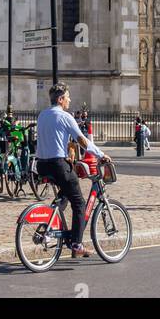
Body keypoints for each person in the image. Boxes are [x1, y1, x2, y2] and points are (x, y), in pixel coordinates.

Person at [35, 83, 108, 259]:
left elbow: (55, 138)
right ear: (60, 99)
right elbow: (82, 141)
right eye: (67, 97)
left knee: (67, 191)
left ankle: (54, 215)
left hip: (41, 165)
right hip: (58, 164)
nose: (69, 99)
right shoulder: (65, 116)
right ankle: (76, 243)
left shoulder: (42, 115)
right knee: (80, 203)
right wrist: (100, 154)